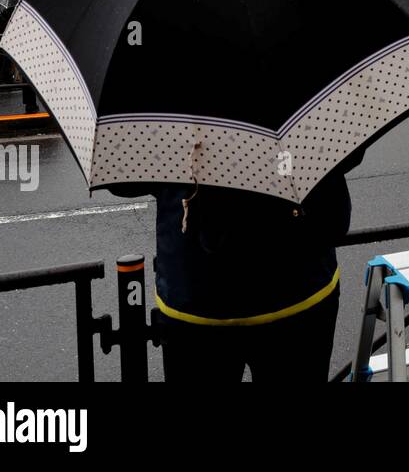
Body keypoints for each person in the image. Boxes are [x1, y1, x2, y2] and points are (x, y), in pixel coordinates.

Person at [108, 151, 364, 383]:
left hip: (196, 288)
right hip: (298, 280)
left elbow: (123, 178)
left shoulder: (169, 115)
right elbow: (347, 152)